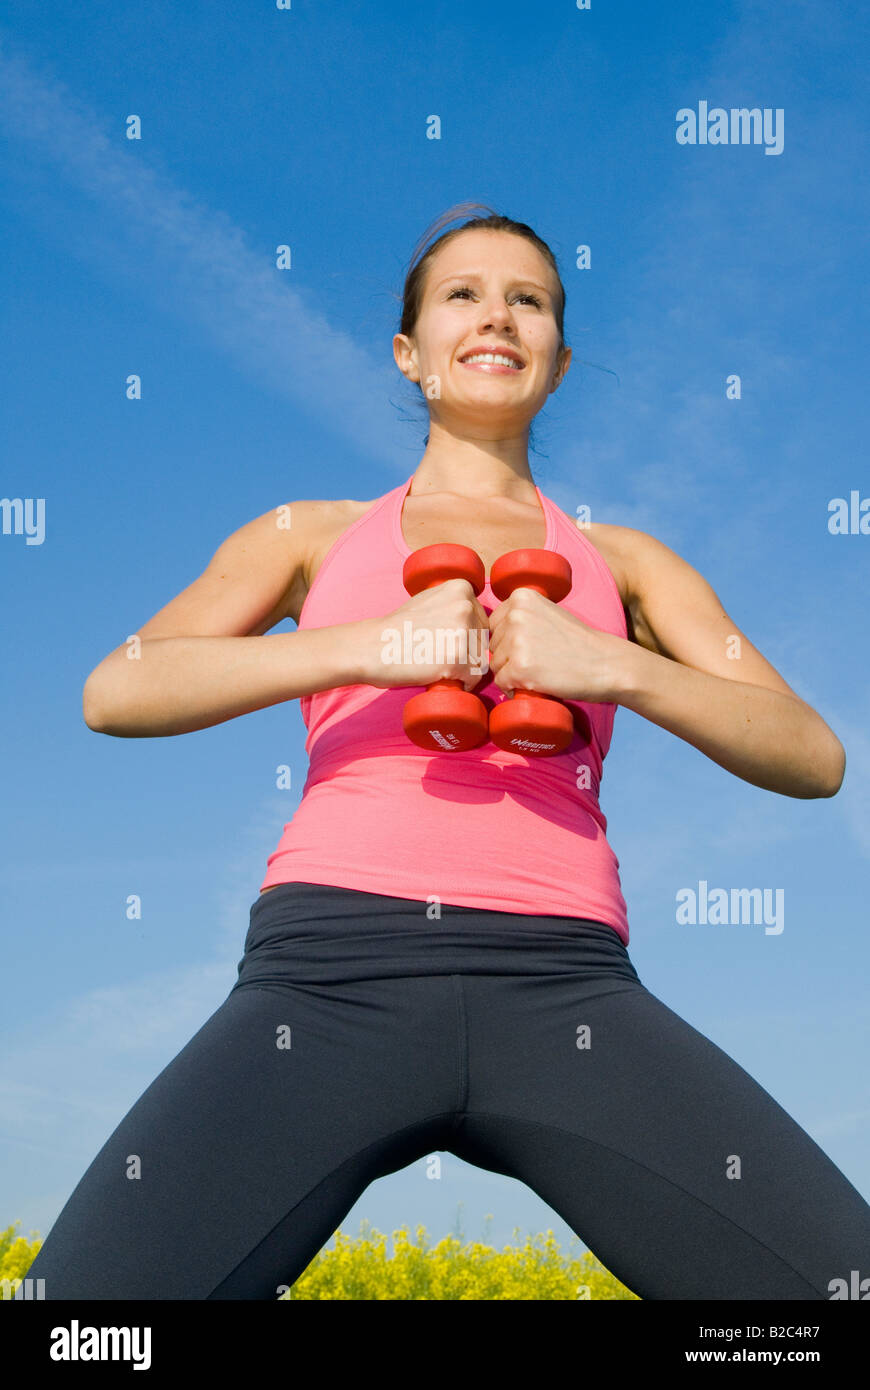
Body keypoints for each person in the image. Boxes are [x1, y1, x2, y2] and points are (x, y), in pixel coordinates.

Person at [21, 203, 870, 1300]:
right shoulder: (311, 536)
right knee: (89, 1321)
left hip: (566, 986)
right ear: (410, 353)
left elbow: (812, 753)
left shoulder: (629, 565)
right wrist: (373, 645)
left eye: (530, 299)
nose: (497, 314)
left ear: (559, 361)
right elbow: (119, 686)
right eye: (462, 293)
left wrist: (613, 664)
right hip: (330, 975)